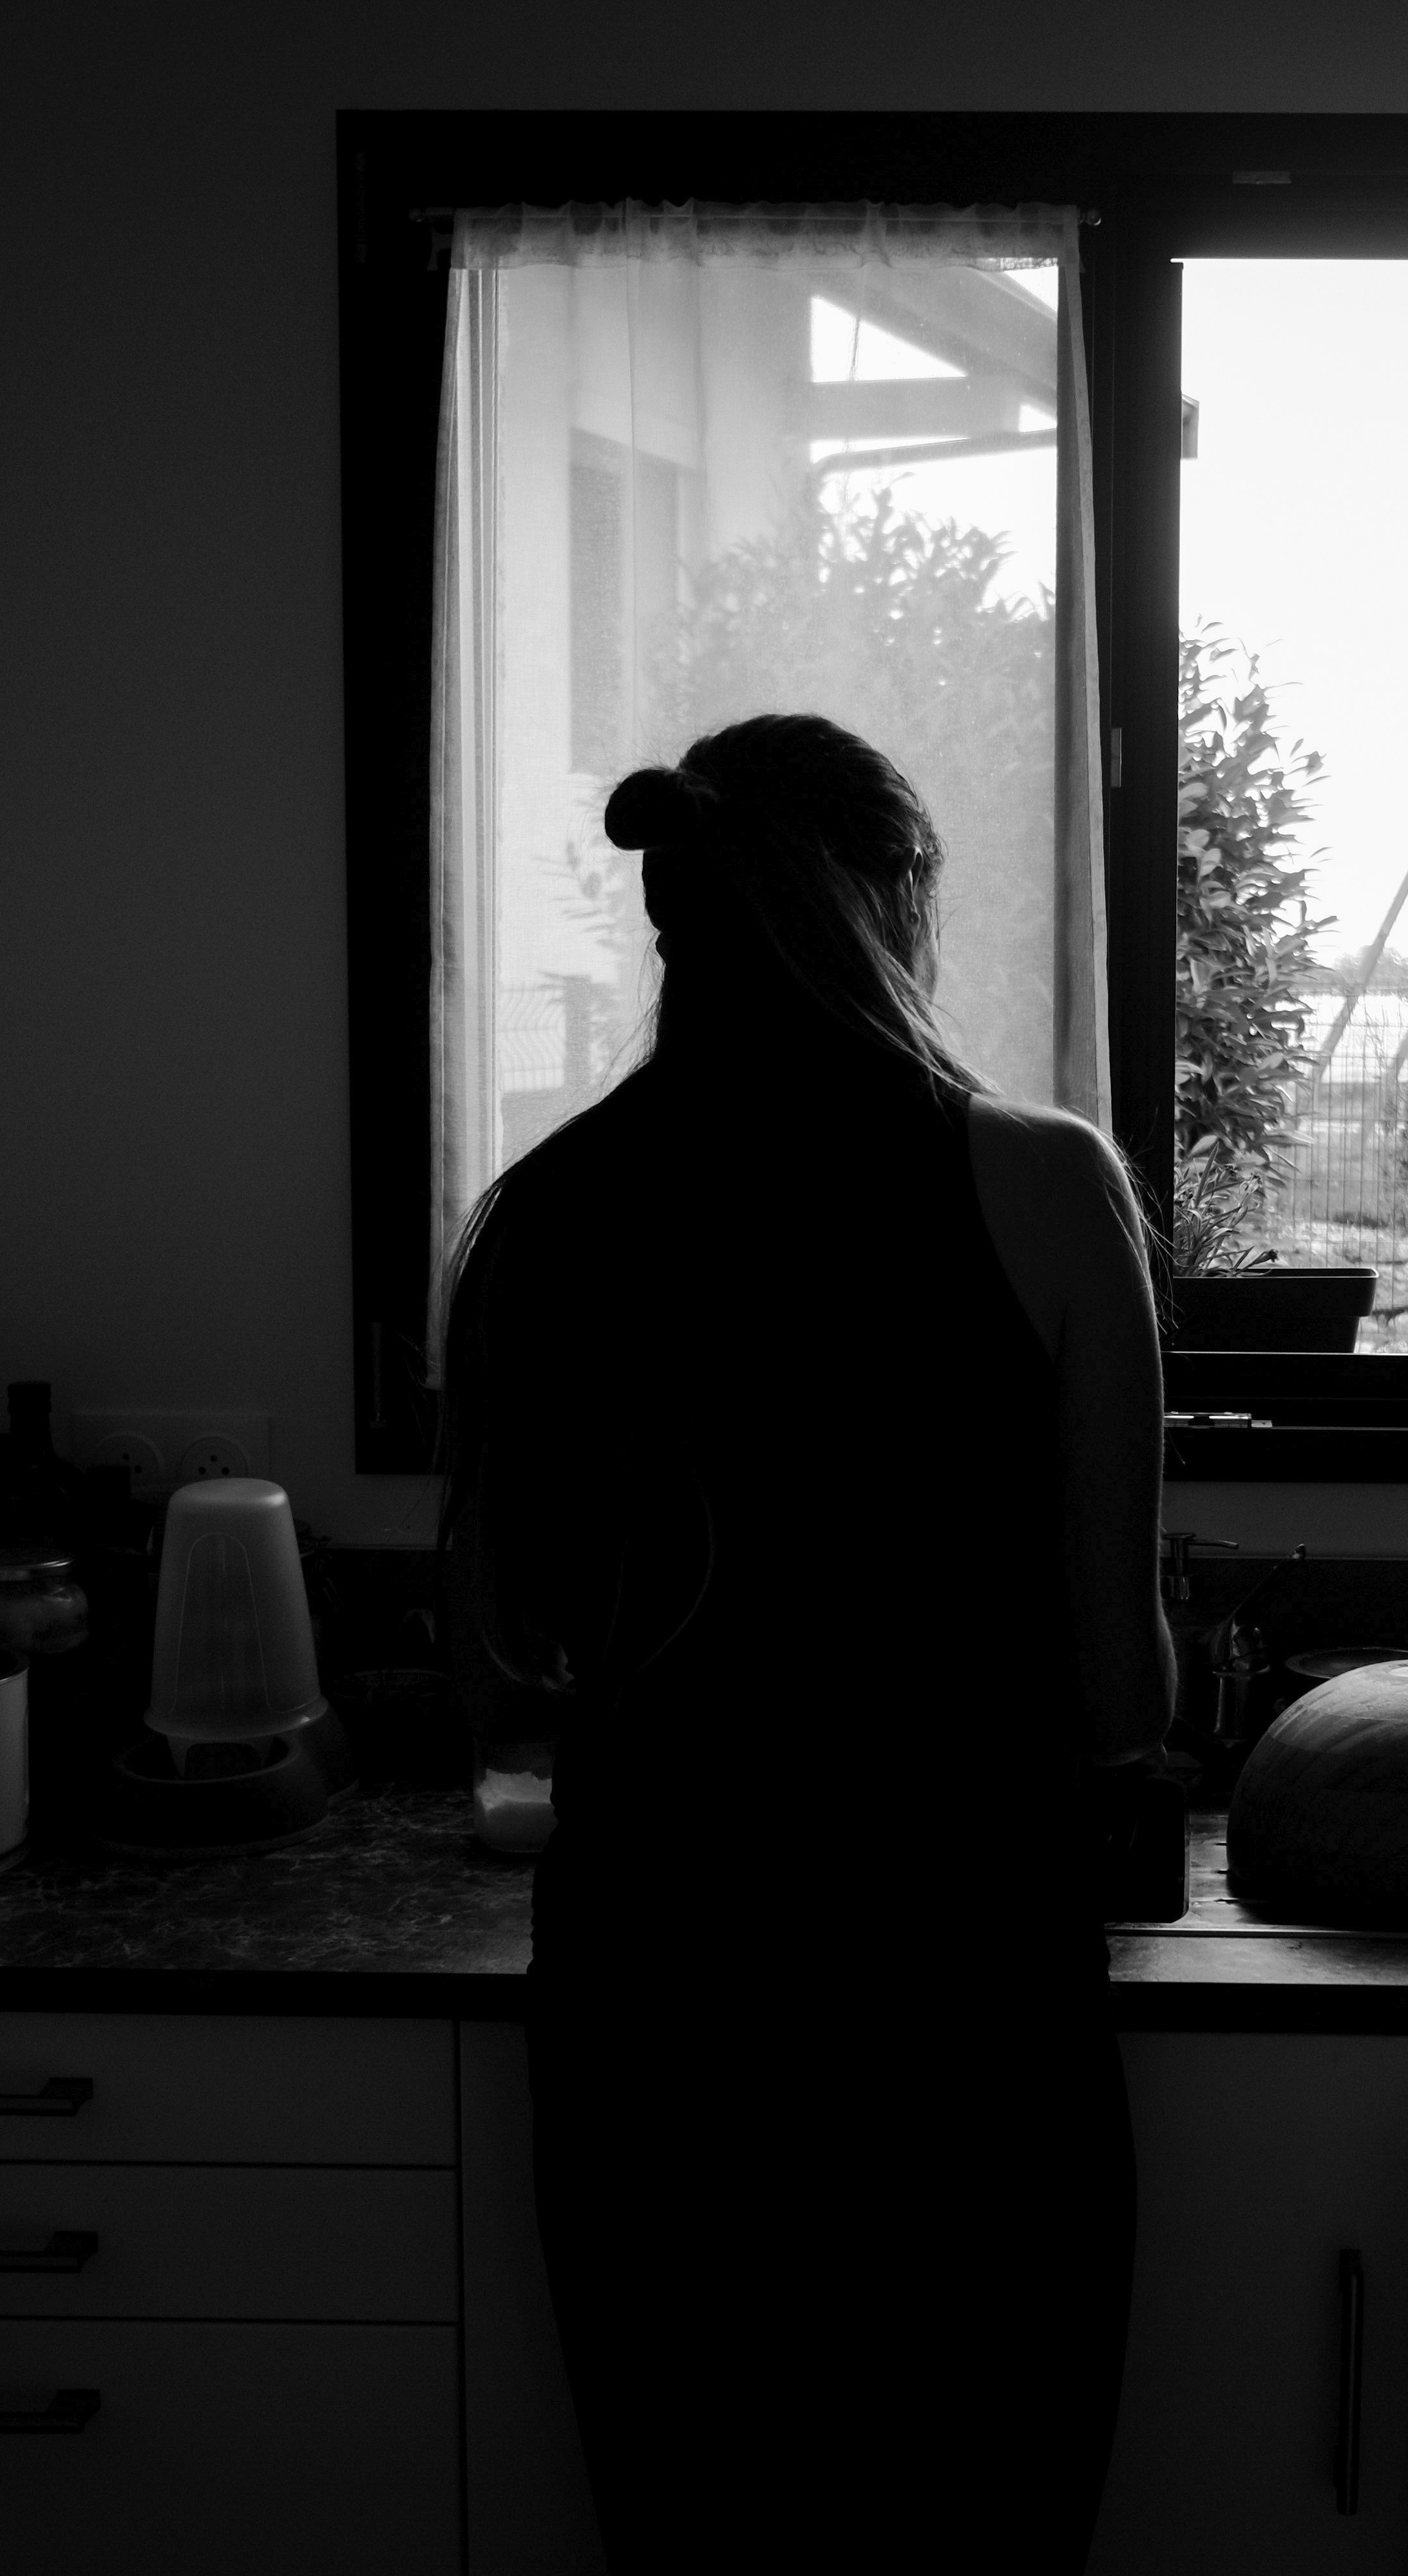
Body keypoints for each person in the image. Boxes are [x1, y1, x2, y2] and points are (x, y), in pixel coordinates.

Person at [438, 713, 1172, 2573]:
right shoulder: (1047, 1186)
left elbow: (519, 1646)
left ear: (671, 923)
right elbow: (1114, 1697)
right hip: (957, 2016)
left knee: (705, 2542)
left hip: (659, 2011)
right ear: (893, 900)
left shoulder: (548, 1218)